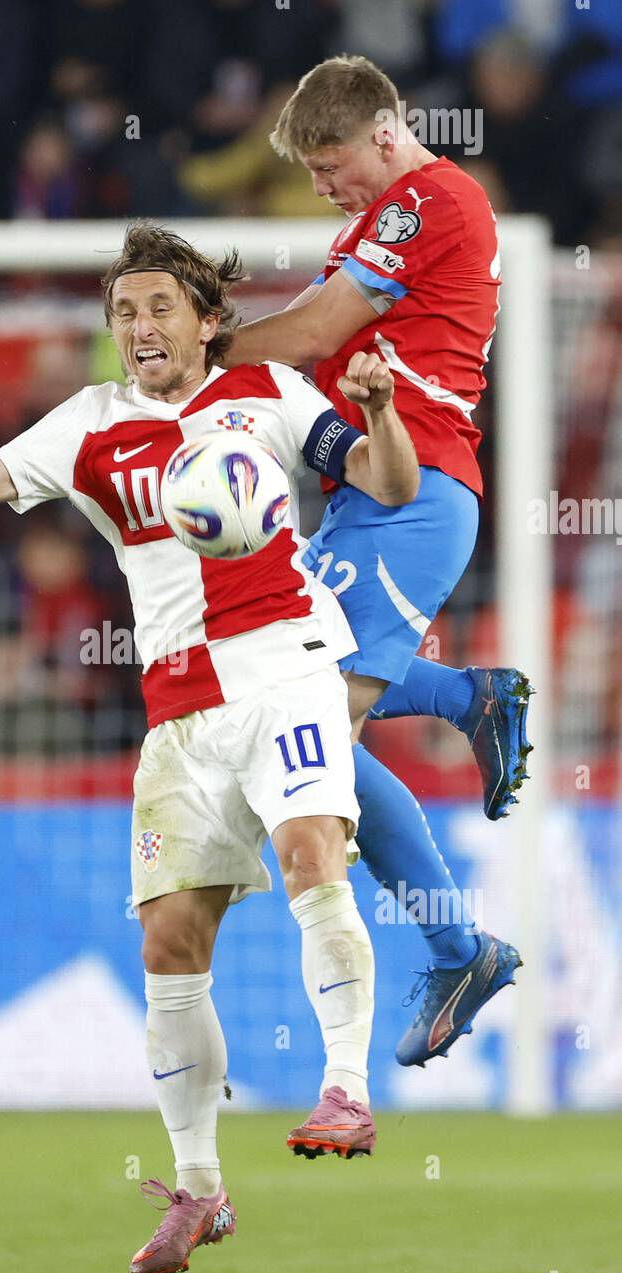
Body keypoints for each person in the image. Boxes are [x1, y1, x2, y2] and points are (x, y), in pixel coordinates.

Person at [0, 221, 419, 1273]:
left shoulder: (266, 395)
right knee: (169, 943)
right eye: (122, 312)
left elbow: (384, 482)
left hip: (289, 665)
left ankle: (344, 1086)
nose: (138, 326)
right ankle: (200, 1191)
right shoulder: (90, 424)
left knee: (312, 852)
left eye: (159, 306)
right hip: (179, 711)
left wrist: (382, 409)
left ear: (209, 320)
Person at [222, 55, 526, 1068]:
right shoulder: (376, 221)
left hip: (414, 494)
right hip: (374, 499)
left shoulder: (429, 200)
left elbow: (310, 333)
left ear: (385, 136)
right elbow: (304, 348)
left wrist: (200, 344)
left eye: (329, 163)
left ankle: (460, 945)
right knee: (277, 700)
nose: (322, 187)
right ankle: (463, 700)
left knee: (303, 721)